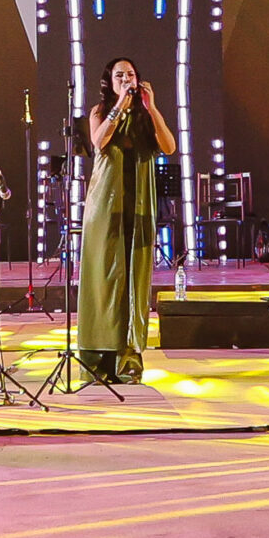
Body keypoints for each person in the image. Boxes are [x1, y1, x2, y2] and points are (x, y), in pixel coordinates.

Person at [76, 57, 176, 384]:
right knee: (103, 281)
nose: (126, 79)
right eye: (119, 75)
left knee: (134, 280)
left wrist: (153, 108)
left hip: (139, 207)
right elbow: (99, 141)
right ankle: (97, 363)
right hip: (106, 208)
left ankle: (128, 362)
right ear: (110, 81)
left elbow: (170, 147)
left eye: (130, 74)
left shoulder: (147, 116)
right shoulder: (99, 111)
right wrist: (120, 104)